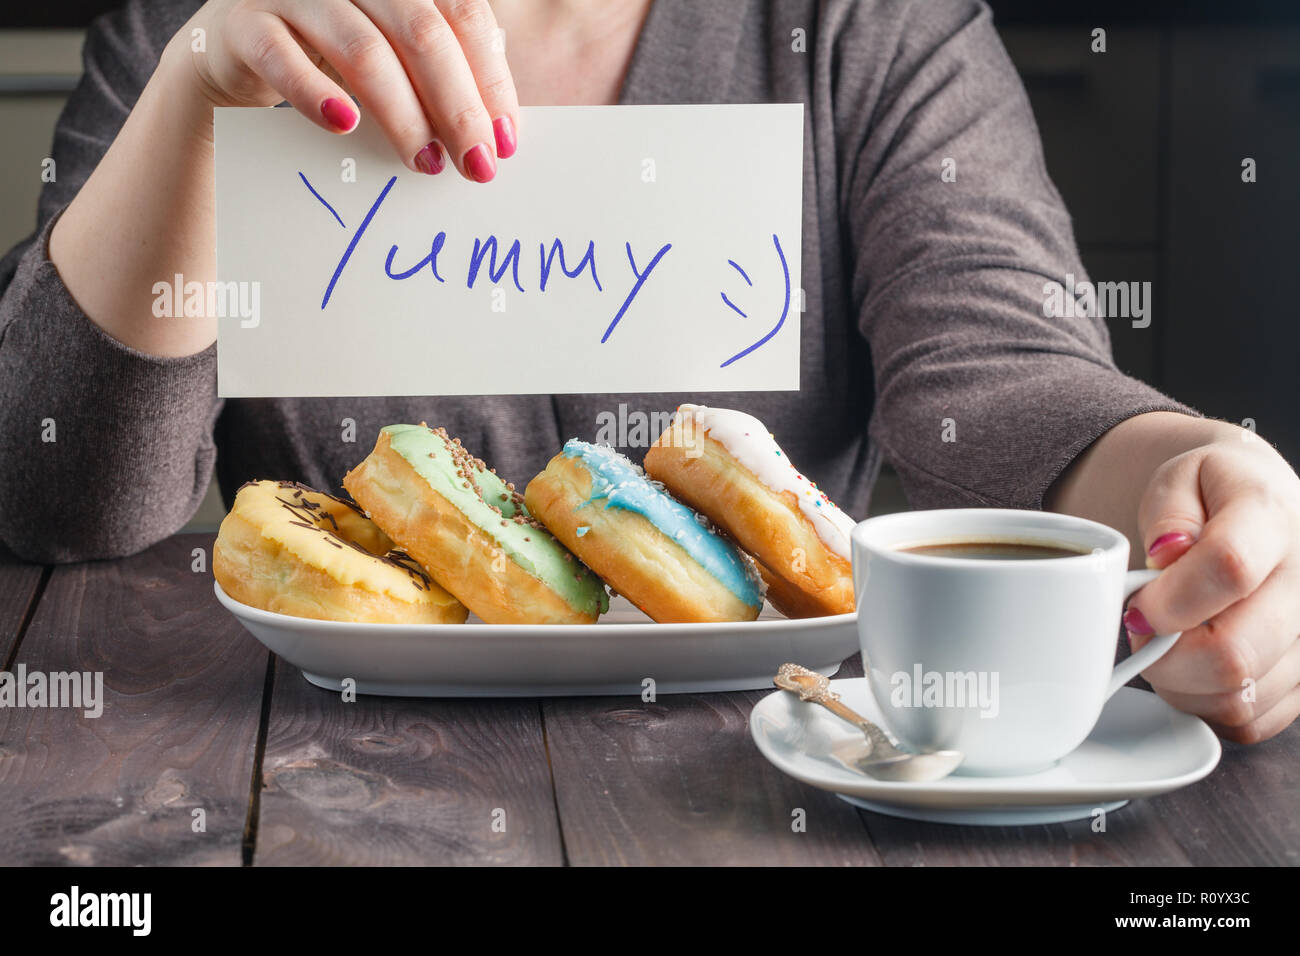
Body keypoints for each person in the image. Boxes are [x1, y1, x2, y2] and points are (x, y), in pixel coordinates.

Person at [0, 0, 1296, 744]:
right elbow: (50, 491)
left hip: (789, 766)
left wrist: (1189, 472)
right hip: (310, 775)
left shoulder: (862, 25)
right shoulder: (203, 27)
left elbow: (1000, 366)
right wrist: (195, 96)